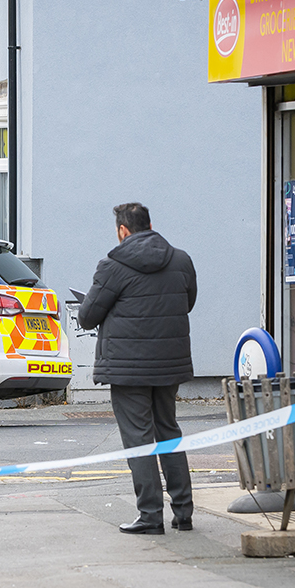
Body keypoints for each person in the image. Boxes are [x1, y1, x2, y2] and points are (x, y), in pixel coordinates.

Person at [76, 203, 197, 535]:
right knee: (168, 432)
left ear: (122, 231)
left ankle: (150, 515)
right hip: (169, 363)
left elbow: (87, 316)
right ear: (150, 225)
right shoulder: (181, 260)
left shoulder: (112, 266)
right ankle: (183, 512)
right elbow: (186, 302)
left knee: (140, 440)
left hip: (128, 367)